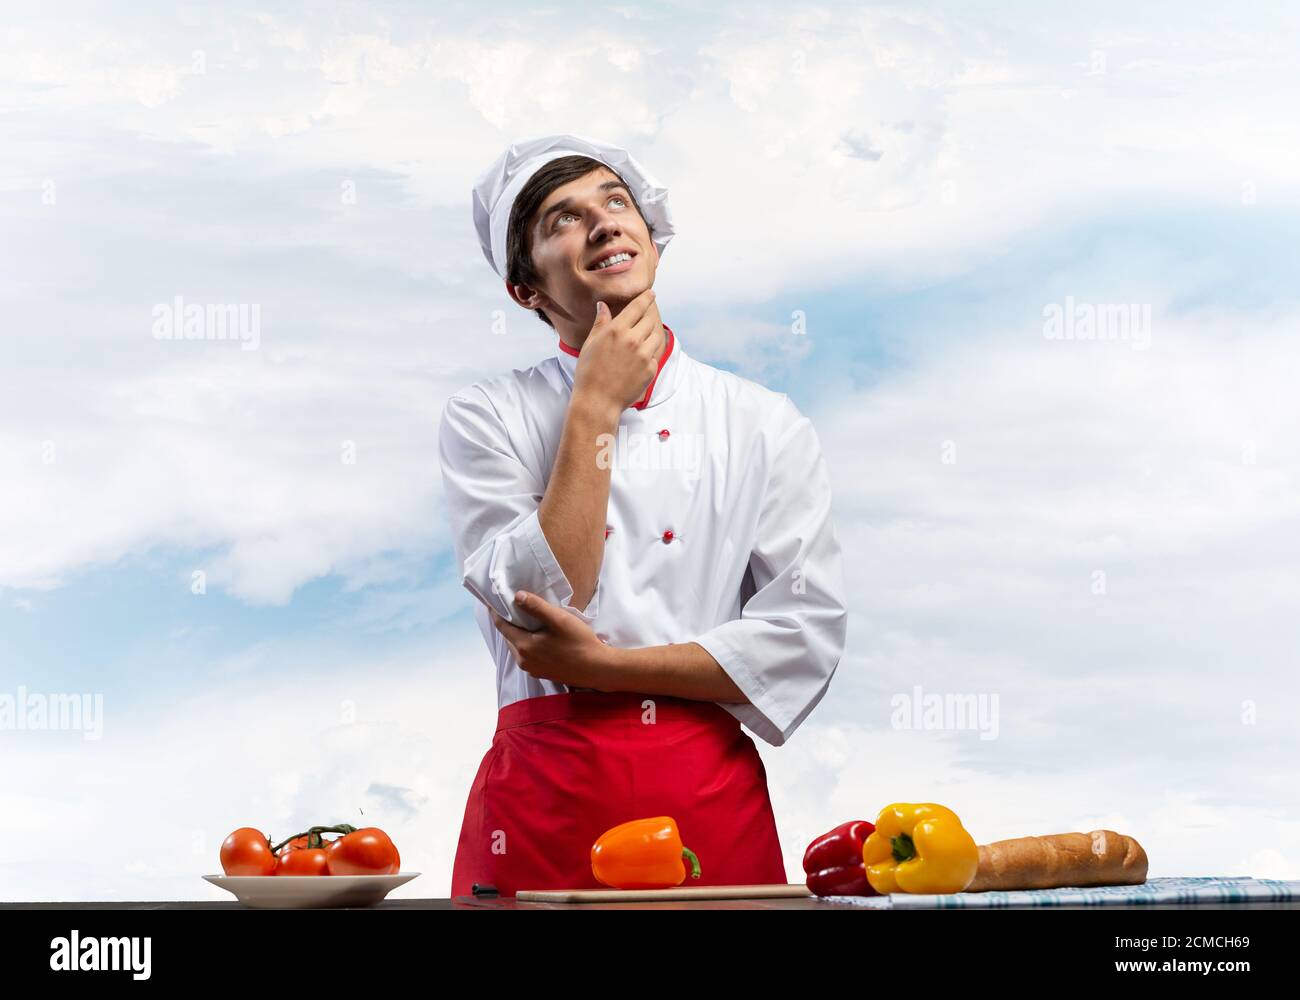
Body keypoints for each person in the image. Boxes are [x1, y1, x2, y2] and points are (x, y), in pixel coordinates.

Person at [441, 133, 848, 897]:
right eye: (561, 219)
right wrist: (594, 404)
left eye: (615, 201)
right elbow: (542, 601)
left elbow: (804, 634)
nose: (602, 224)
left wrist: (602, 669)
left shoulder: (762, 421)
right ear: (525, 291)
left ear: (650, 234)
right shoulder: (486, 417)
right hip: (542, 800)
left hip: (705, 798)